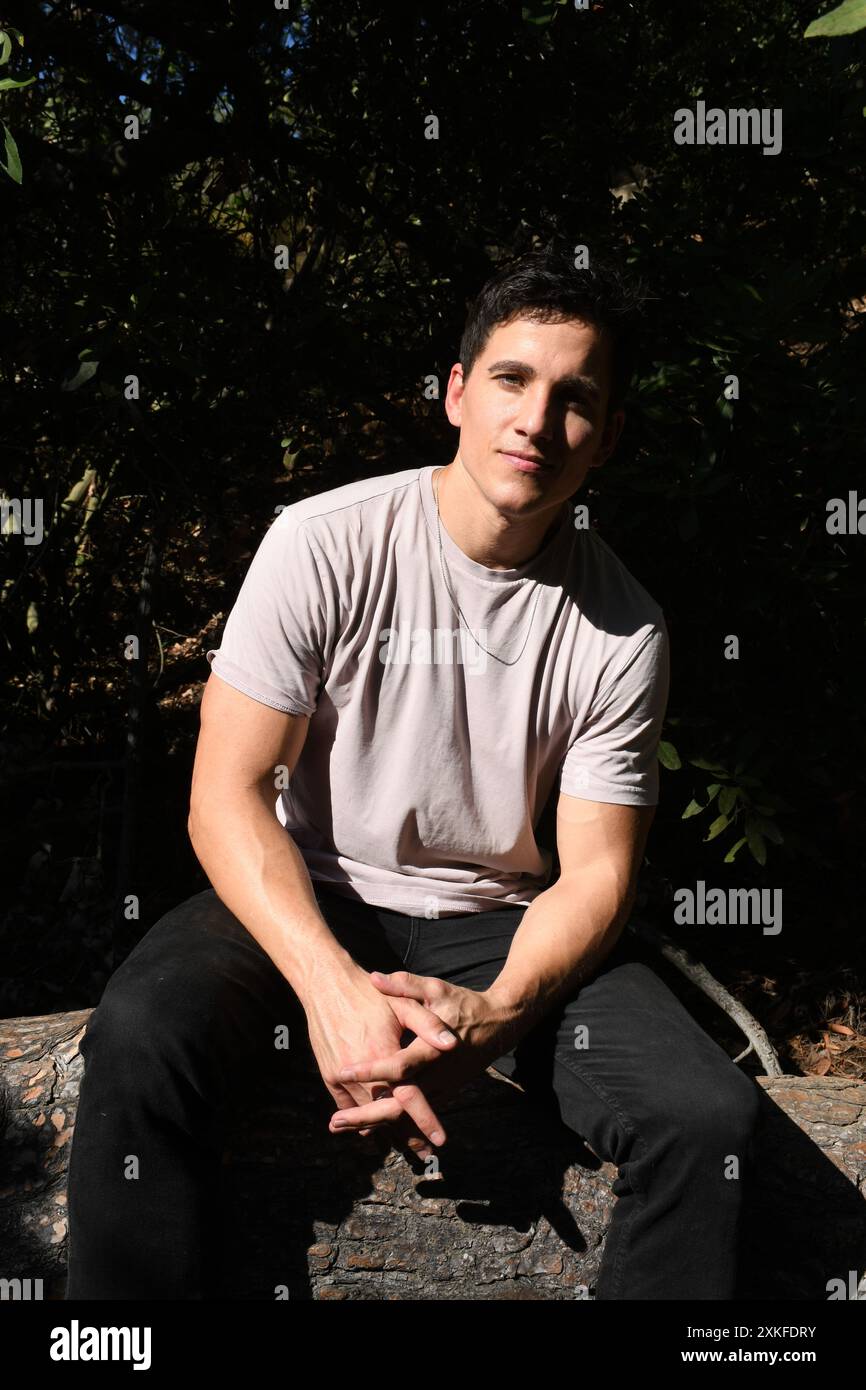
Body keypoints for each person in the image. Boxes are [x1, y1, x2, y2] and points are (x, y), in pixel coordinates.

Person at [65, 246, 760, 1300]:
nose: (535, 420)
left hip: (495, 915)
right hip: (313, 881)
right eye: (512, 380)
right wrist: (329, 987)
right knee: (140, 1034)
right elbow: (226, 794)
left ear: (605, 439)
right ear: (455, 394)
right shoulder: (322, 542)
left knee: (705, 1115)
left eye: (574, 399)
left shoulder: (624, 628)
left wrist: (500, 1016)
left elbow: (596, 875)